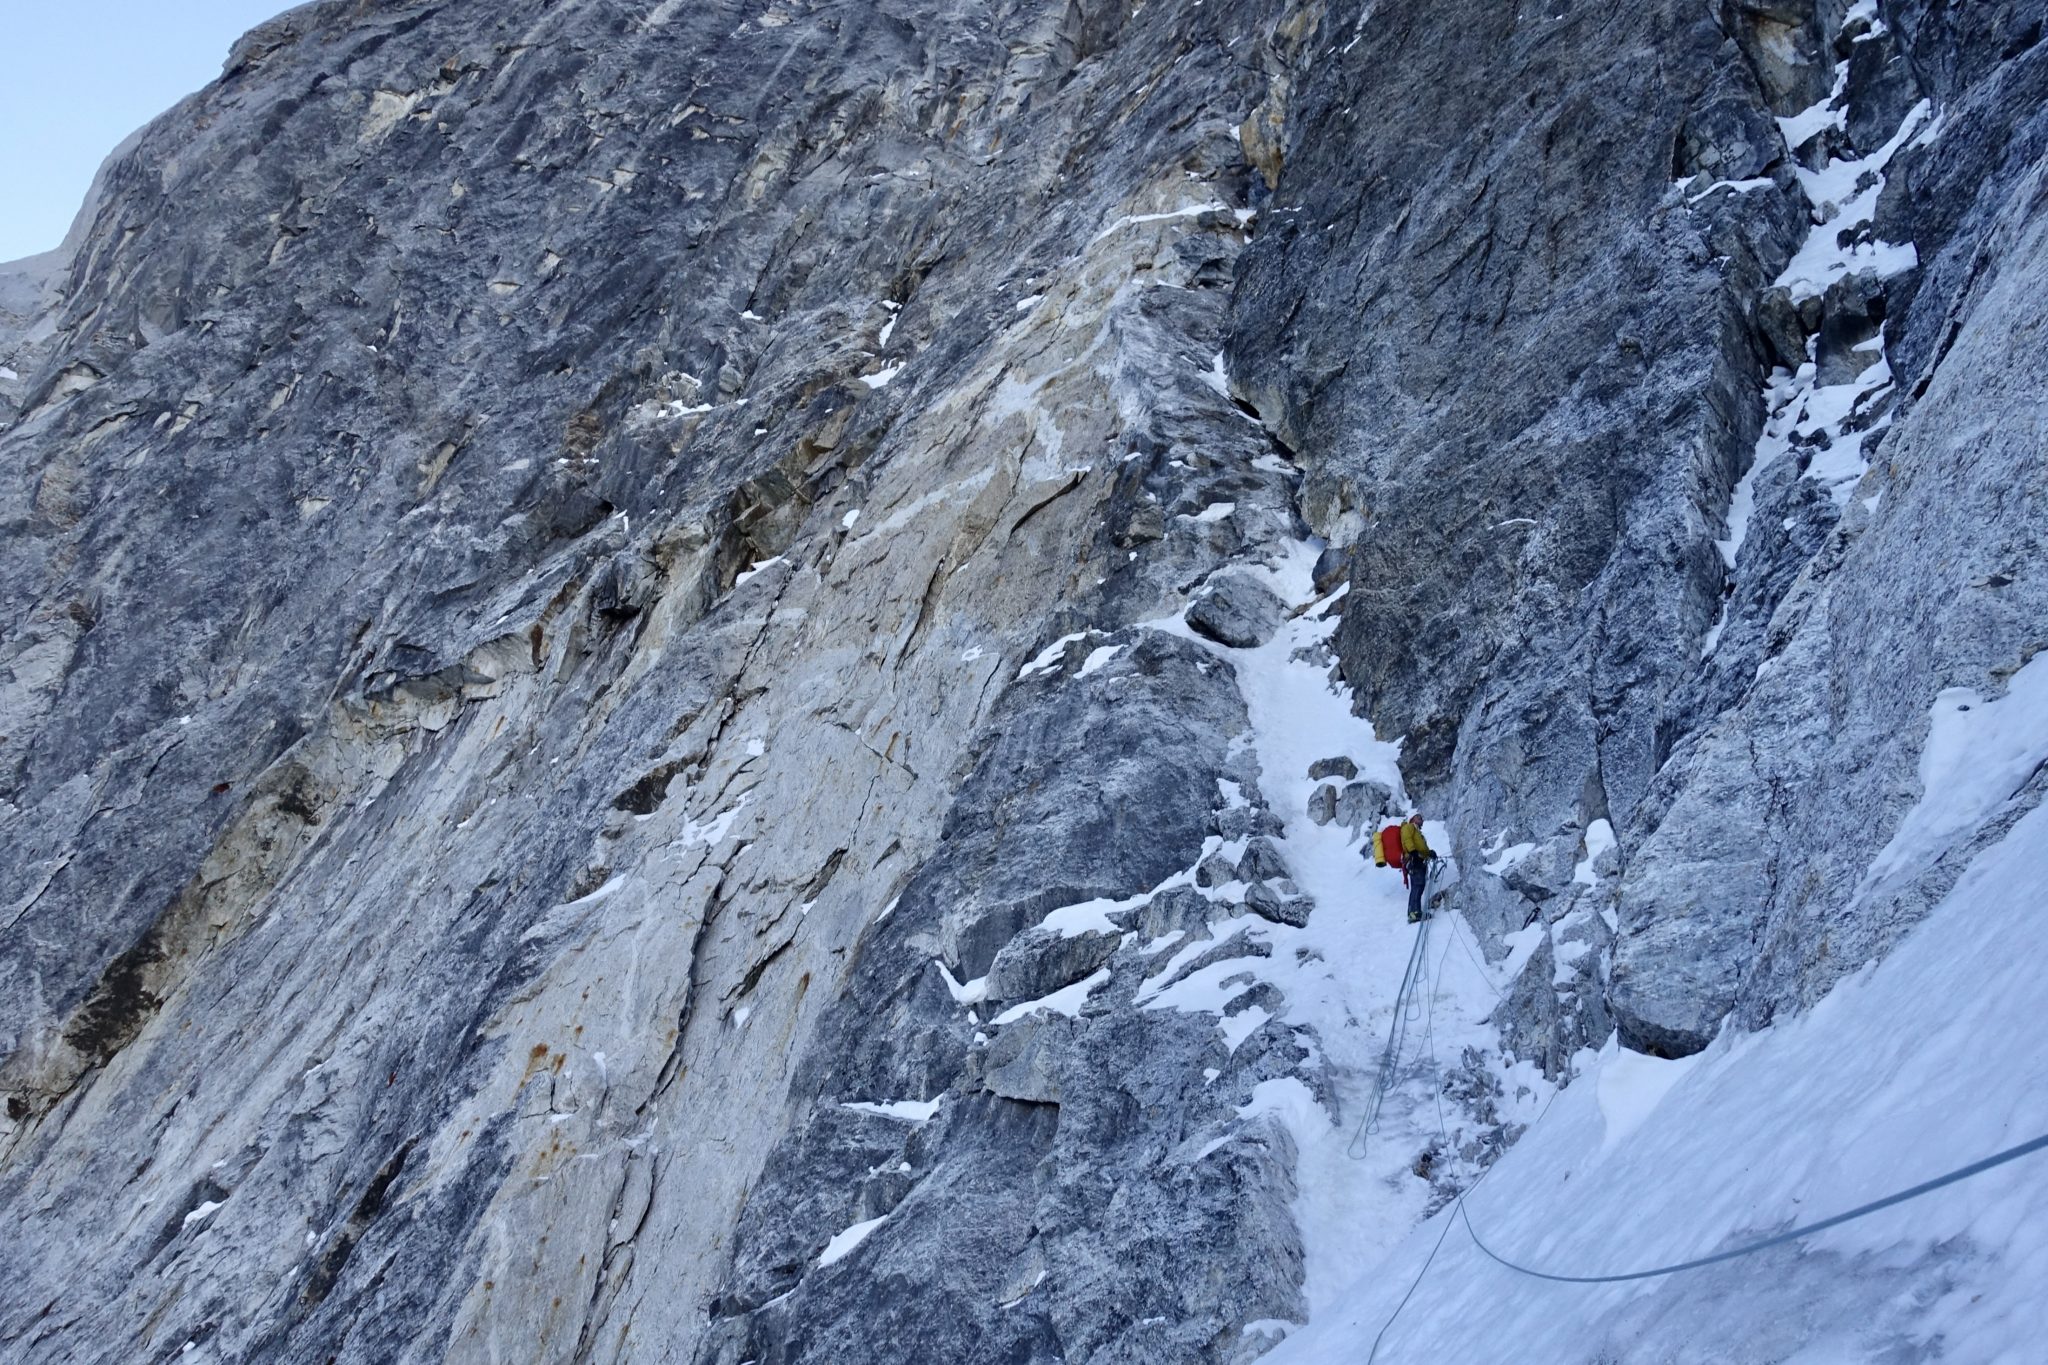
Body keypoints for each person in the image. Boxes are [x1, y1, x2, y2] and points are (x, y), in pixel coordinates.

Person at [1399, 813, 1435, 923]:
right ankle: (1415, 912)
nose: (1422, 820)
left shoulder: (1417, 832)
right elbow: (1407, 839)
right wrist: (1413, 853)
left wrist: (1429, 853)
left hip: (1417, 860)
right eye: (1419, 818)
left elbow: (1421, 847)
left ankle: (1413, 912)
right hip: (1414, 860)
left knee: (1418, 885)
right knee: (1418, 885)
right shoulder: (1409, 827)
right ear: (1413, 819)